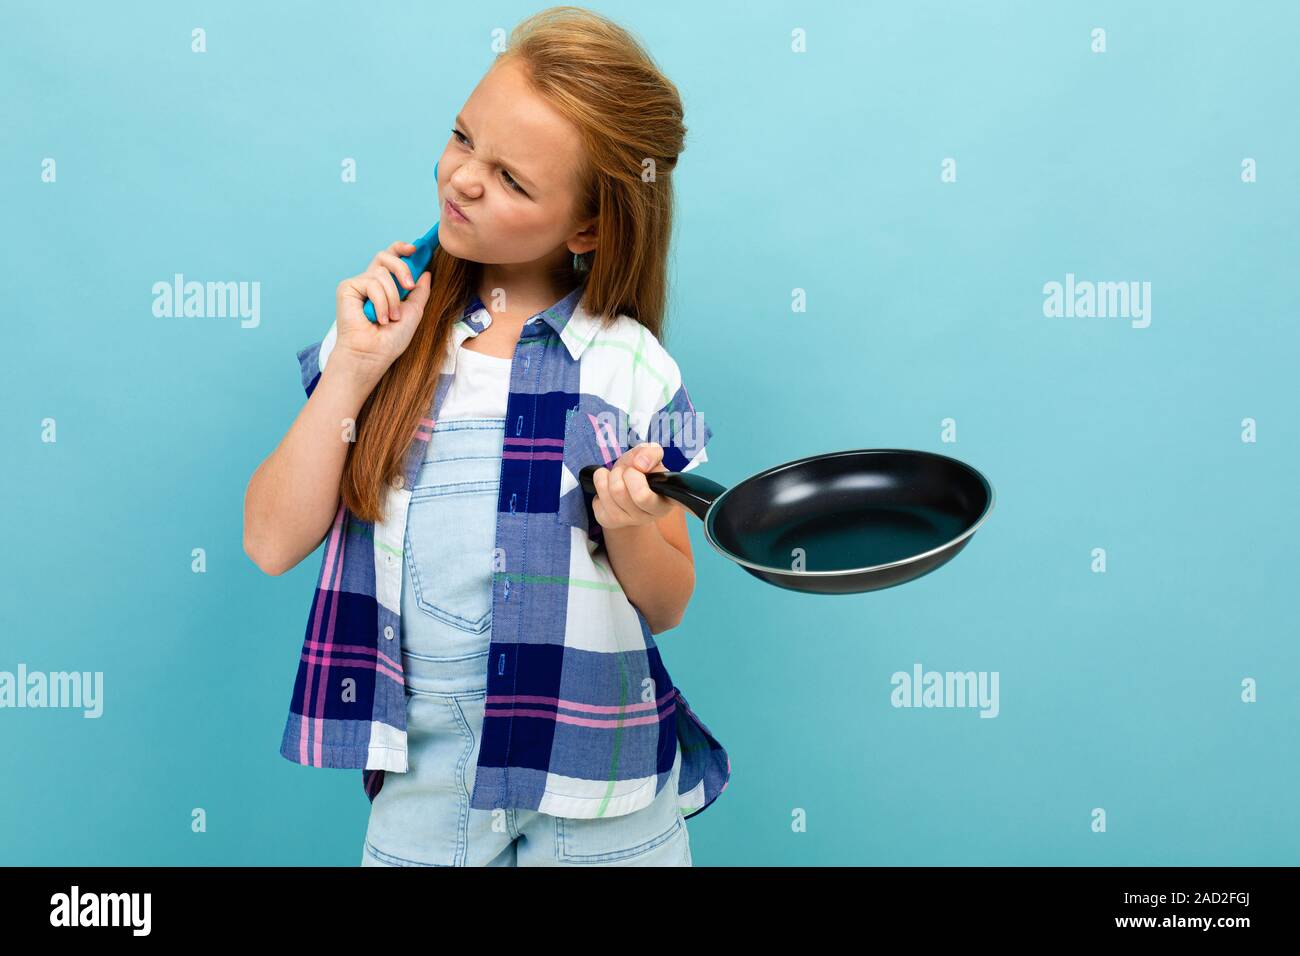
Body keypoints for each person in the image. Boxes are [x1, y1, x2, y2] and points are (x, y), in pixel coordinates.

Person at [243, 6, 730, 866]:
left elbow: (669, 603)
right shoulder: (385, 333)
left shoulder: (632, 369)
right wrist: (355, 368)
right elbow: (269, 540)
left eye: (511, 179)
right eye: (463, 138)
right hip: (431, 797)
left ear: (587, 227)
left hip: (604, 796)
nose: (463, 179)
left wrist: (624, 527)